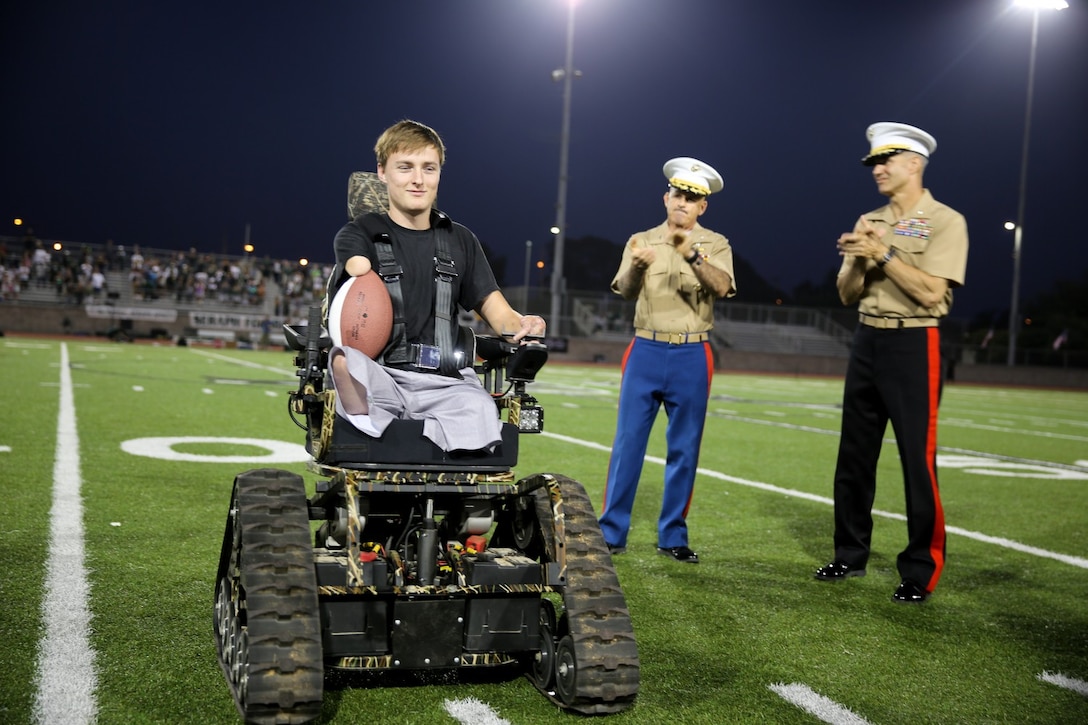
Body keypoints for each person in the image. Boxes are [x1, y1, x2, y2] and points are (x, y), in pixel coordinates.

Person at [814, 122, 968, 604]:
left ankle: (921, 569)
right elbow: (845, 294)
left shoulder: (946, 220)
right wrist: (857, 258)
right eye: (874, 162)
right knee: (853, 456)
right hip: (866, 339)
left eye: (887, 161)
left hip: (914, 343)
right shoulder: (869, 218)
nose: (877, 168)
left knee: (916, 462)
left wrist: (882, 252)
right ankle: (849, 552)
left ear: (915, 164)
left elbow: (931, 292)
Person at [328, 119, 545, 452]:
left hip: (446, 381)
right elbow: (357, 271)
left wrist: (524, 324)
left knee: (481, 409)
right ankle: (372, 417)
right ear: (383, 172)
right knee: (347, 363)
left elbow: (497, 312)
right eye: (406, 167)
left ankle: (403, 429)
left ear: (440, 172)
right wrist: (357, 257)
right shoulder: (359, 233)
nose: (418, 179)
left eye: (428, 168)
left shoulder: (461, 239)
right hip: (381, 372)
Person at [598, 157, 736, 563]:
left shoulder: (716, 244)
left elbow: (724, 286)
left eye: (692, 198)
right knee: (628, 444)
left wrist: (691, 254)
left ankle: (672, 535)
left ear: (702, 207)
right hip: (646, 348)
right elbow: (623, 289)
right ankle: (612, 533)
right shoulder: (641, 239)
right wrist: (638, 268)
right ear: (666, 197)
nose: (683, 202)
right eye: (678, 194)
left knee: (685, 449)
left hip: (693, 352)